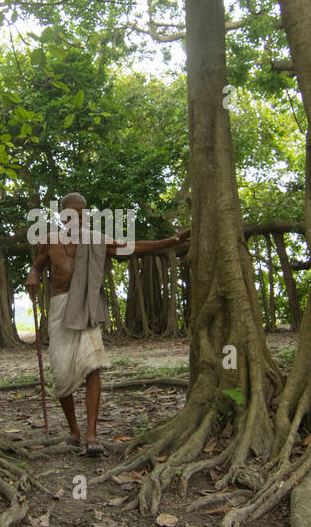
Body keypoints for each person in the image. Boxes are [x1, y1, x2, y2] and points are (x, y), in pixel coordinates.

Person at [25, 192, 189, 456]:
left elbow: (129, 247)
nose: (76, 220)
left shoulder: (95, 240)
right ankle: (74, 431)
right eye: (71, 216)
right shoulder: (49, 240)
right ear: (62, 216)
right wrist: (32, 273)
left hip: (86, 307)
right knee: (60, 374)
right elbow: (38, 264)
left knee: (93, 366)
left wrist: (168, 241)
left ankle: (91, 434)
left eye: (81, 216)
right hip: (59, 309)